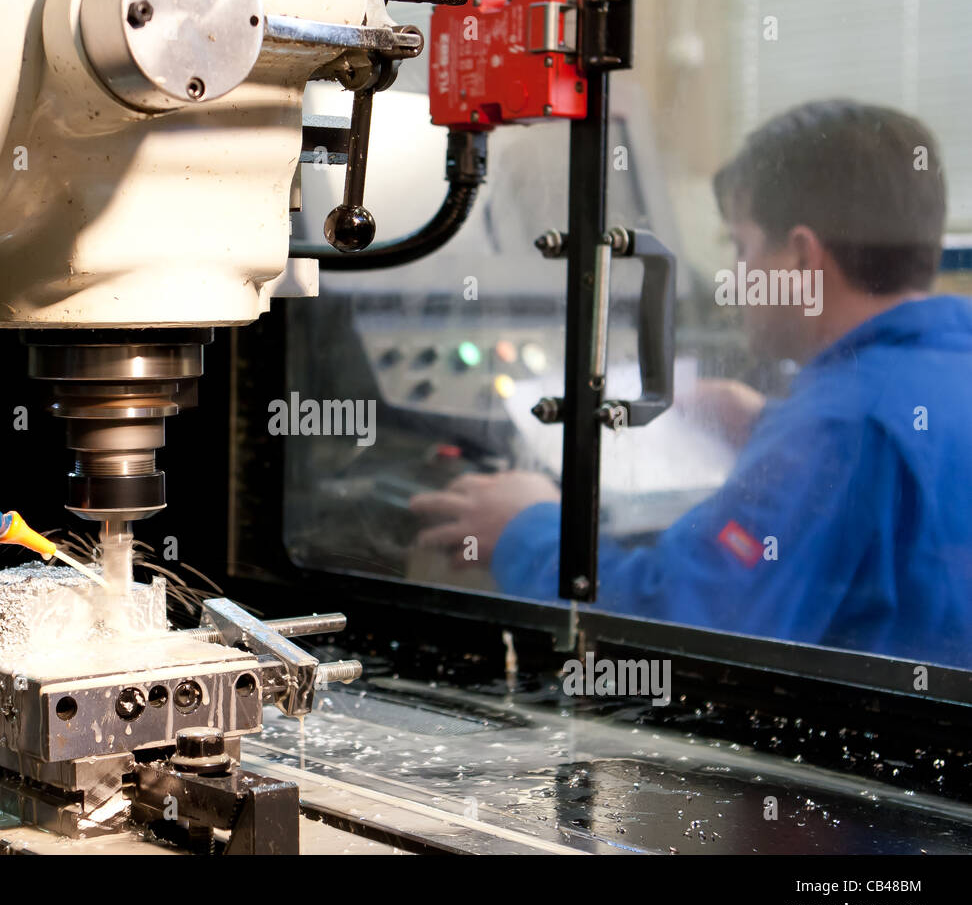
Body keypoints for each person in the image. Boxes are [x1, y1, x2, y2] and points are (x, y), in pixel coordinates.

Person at [410, 100, 972, 668]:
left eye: (741, 245)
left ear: (802, 256)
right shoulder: (944, 370)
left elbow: (679, 624)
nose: (735, 275)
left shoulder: (840, 427)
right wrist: (770, 425)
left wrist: (525, 528)